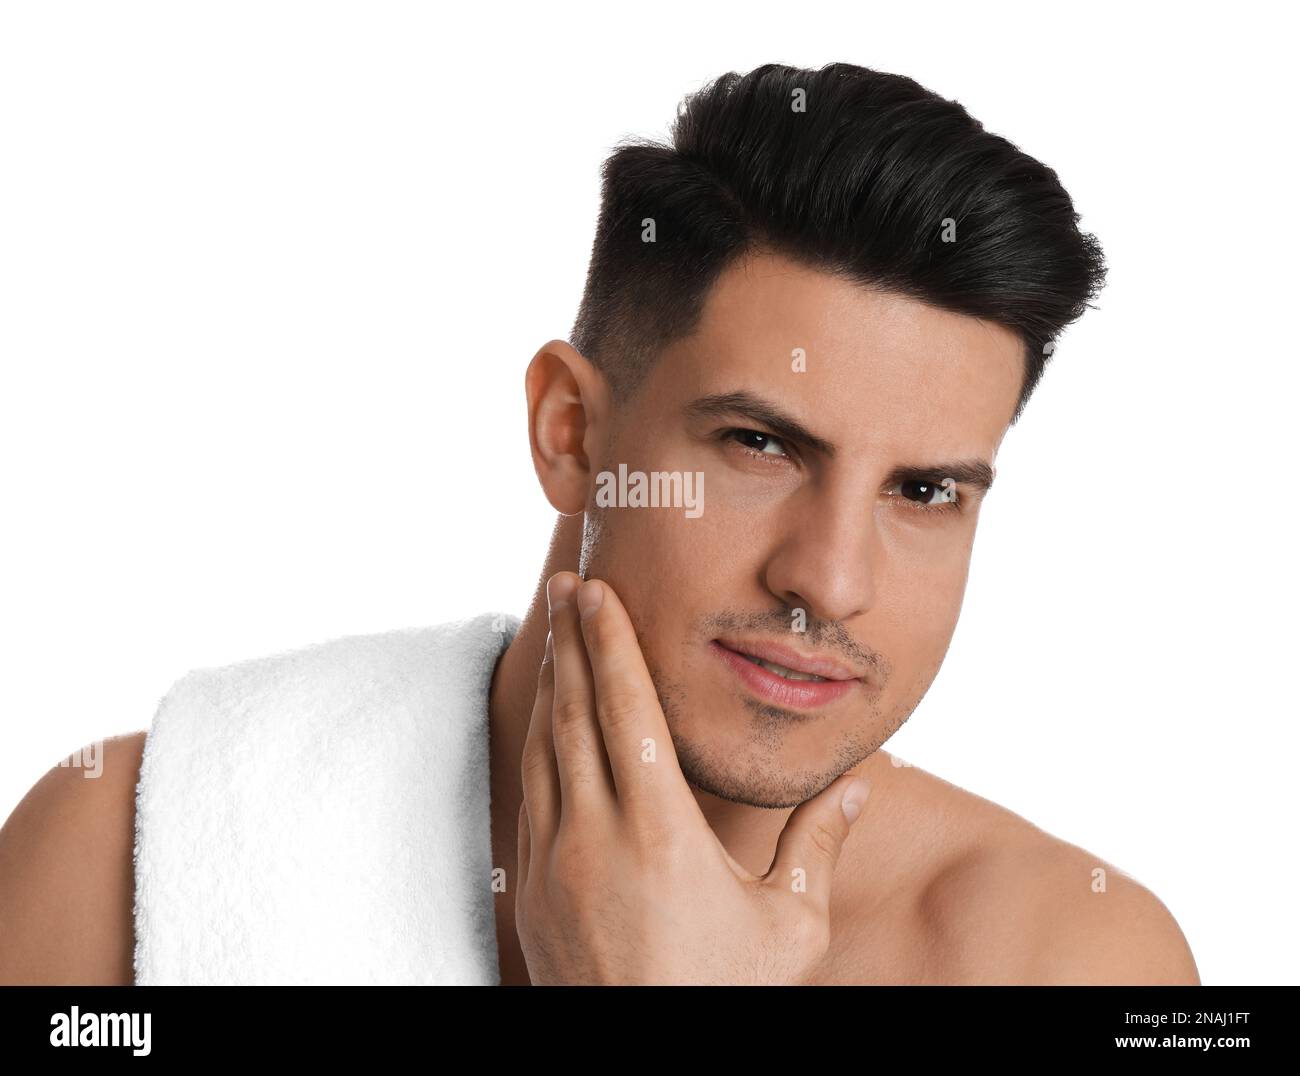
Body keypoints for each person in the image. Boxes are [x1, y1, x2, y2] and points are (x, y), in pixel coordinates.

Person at [0, 61, 1199, 985]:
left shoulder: (1067, 957)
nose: (830, 580)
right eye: (760, 445)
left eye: (924, 490)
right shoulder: (125, 858)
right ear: (571, 431)